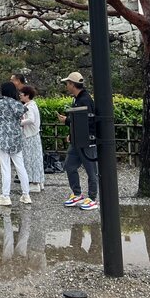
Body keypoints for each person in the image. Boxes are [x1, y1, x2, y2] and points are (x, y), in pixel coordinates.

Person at [57, 71, 99, 211]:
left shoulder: (84, 99)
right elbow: (79, 121)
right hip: (77, 140)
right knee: (69, 165)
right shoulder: (78, 98)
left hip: (87, 140)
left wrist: (67, 121)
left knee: (91, 170)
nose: (66, 86)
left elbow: (85, 121)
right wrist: (72, 133)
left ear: (72, 84)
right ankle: (77, 194)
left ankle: (92, 198)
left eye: (67, 83)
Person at [0, 81, 31, 206]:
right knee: (20, 167)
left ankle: (6, 196)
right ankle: (26, 195)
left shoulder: (2, 103)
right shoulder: (18, 105)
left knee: (5, 168)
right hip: (16, 139)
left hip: (3, 139)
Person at [19, 85, 45, 193]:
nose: (20, 96)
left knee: (29, 159)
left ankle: (33, 182)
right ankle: (39, 181)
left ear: (27, 95)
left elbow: (31, 119)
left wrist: (20, 123)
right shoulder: (32, 104)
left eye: (21, 95)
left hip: (29, 136)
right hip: (34, 135)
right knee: (37, 159)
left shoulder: (29, 106)